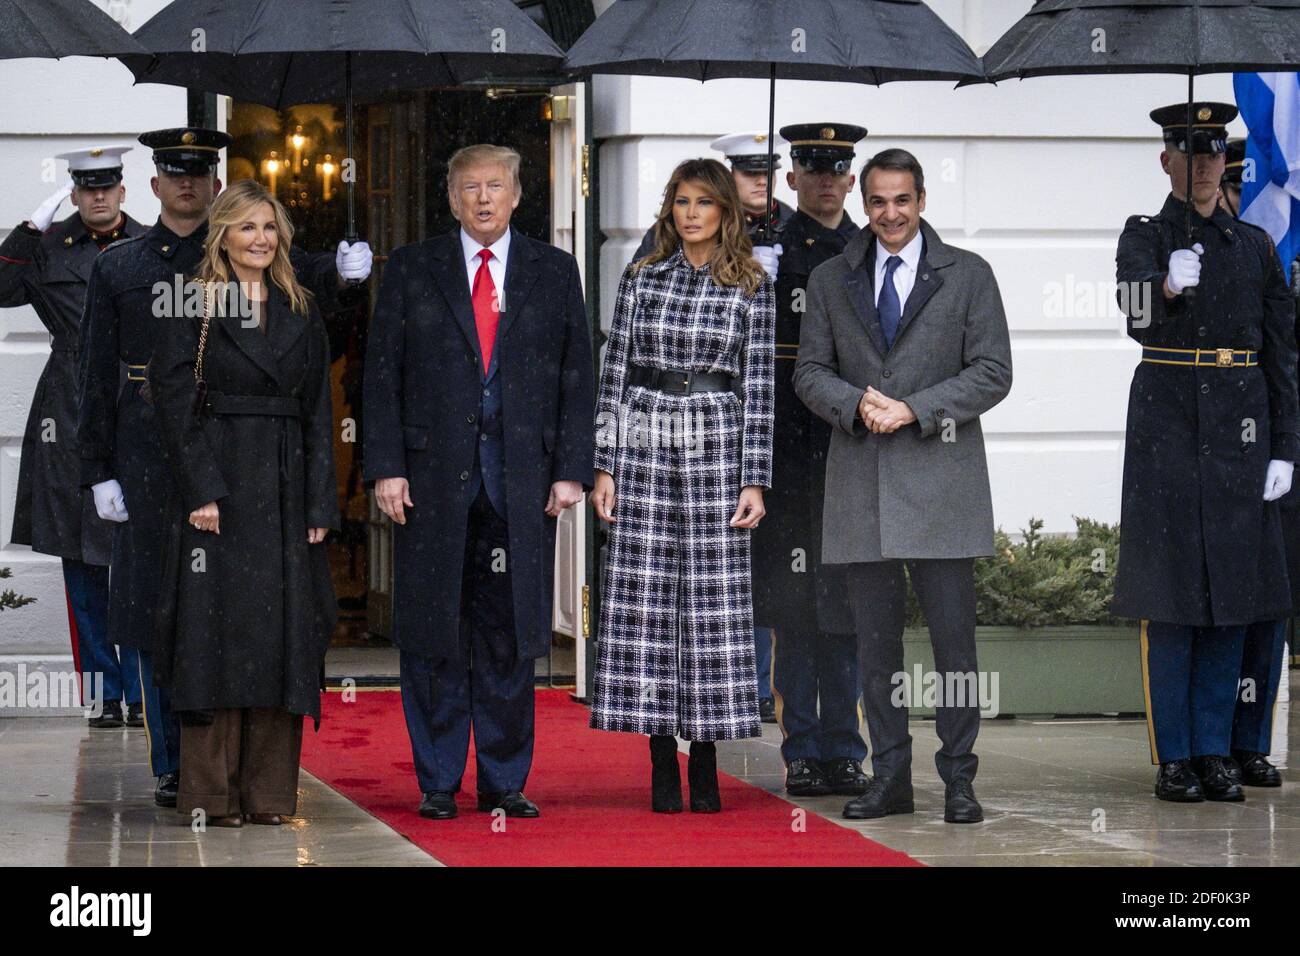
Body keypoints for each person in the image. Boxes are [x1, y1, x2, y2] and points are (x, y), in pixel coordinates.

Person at [78, 127, 372, 808]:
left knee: (253, 622)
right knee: (168, 617)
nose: (187, 184)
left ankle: (242, 780)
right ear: (158, 184)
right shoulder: (127, 267)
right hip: (162, 469)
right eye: (175, 174)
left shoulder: (283, 295)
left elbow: (311, 384)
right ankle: (177, 768)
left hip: (254, 477)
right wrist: (99, 466)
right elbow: (99, 375)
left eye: (198, 173)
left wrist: (351, 279)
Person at [364, 144, 595, 821]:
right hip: (432, 482)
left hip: (521, 483)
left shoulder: (554, 271)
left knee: (511, 635)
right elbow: (382, 377)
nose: (484, 198)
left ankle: (503, 780)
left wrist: (570, 470)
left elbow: (576, 377)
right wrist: (385, 466)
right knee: (434, 631)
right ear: (451, 195)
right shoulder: (412, 268)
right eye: (470, 187)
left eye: (496, 186)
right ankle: (437, 780)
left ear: (519, 194)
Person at [794, 148, 1012, 824]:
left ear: (921, 200)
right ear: (865, 202)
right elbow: (808, 373)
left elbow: (993, 371)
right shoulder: (833, 278)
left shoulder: (968, 275)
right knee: (876, 646)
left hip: (942, 483)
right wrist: (857, 403)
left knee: (954, 646)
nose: (890, 214)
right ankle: (889, 776)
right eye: (879, 201)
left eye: (902, 200)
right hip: (863, 483)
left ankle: (959, 780)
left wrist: (915, 409)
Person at [1112, 102, 1297, 804]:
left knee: (1232, 596)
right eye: (1189, 153)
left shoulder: (1253, 247)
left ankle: (1218, 750)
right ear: (1167, 160)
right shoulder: (1147, 235)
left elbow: (1281, 355)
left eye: (1213, 153)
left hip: (1240, 429)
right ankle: (1176, 755)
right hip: (1168, 428)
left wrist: (1285, 447)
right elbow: (1132, 316)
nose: (1202, 165)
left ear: (1224, 161)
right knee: (1174, 597)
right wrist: (1164, 284)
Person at [148, 179, 339, 827]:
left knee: (280, 637)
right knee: (214, 638)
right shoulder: (188, 299)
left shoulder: (301, 304)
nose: (260, 239)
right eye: (246, 227)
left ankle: (267, 798)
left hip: (285, 491)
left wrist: (320, 504)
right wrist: (200, 489)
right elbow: (174, 406)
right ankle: (211, 796)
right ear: (221, 234)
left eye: (269, 227)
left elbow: (319, 410)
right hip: (219, 491)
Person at [590, 157, 775, 814]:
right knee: (647, 602)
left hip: (718, 444)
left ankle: (706, 756)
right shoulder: (642, 280)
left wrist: (755, 478)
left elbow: (759, 388)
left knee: (711, 607)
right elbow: (614, 373)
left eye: (704, 202)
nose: (690, 213)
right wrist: (605, 463)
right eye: (681, 201)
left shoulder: (752, 283)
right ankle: (659, 755)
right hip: (646, 439)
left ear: (727, 212)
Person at [0, 145, 145, 728]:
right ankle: (103, 693)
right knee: (79, 557)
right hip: (67, 404)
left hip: (138, 400)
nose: (99, 197)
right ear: (75, 193)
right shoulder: (48, 247)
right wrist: (28, 230)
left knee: (137, 556)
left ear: (123, 191)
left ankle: (141, 689)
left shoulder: (151, 242)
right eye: (87, 189)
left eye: (107, 186)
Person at [753, 122, 869, 797]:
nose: (825, 180)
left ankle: (845, 748)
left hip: (851, 445)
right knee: (794, 606)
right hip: (788, 450)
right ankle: (801, 745)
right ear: (791, 178)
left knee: (847, 608)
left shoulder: (869, 249)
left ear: (851, 180)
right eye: (812, 167)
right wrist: (753, 282)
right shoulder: (767, 247)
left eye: (837, 168)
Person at [1216, 138, 1289, 790]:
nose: (1251, 203)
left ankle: (1254, 736)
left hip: (1284, 443)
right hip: (1249, 440)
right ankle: (1235, 741)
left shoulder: (1277, 251)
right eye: (1243, 189)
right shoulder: (1236, 256)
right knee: (1243, 598)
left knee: (1273, 605)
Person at [632, 131, 793, 274]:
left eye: (768, 173)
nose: (762, 182)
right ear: (731, 175)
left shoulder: (793, 224)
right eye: (750, 173)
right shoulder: (681, 225)